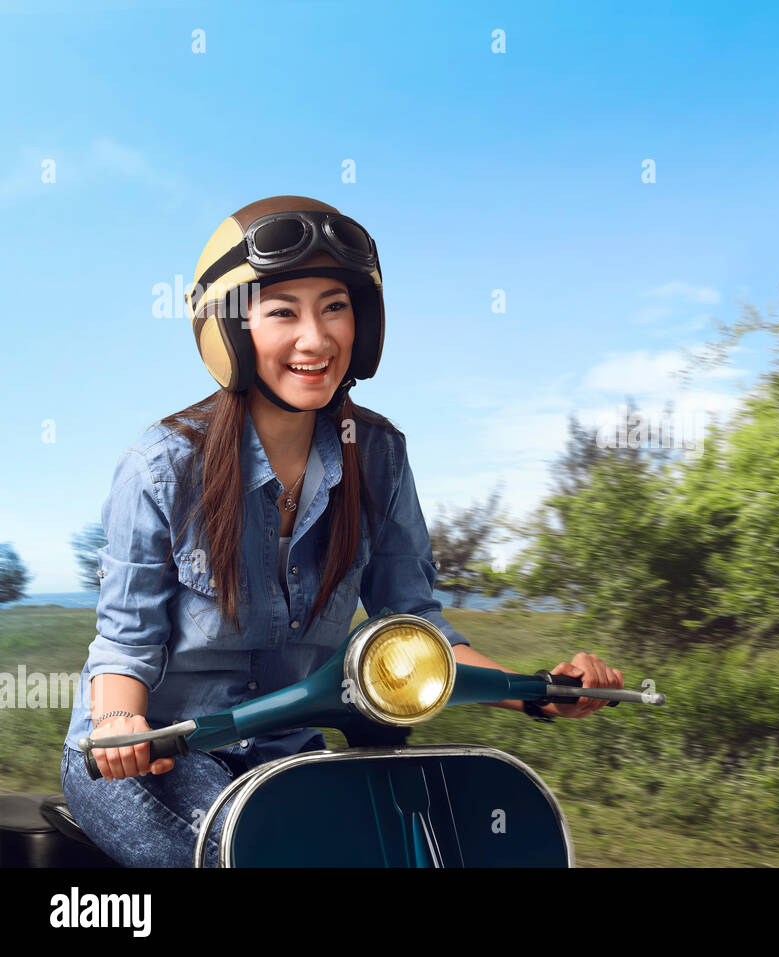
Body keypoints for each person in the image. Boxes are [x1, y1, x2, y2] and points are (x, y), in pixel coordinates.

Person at [60, 195, 623, 867]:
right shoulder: (160, 466)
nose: (316, 338)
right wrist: (122, 726)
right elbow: (126, 645)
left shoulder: (378, 455)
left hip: (284, 753)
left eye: (335, 306)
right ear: (231, 330)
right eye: (282, 312)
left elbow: (415, 623)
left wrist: (539, 691)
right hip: (155, 757)